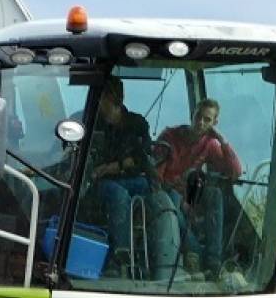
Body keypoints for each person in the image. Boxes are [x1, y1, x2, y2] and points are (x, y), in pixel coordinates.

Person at [83, 75, 163, 274]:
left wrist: (110, 167)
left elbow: (141, 158)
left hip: (134, 180)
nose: (98, 101)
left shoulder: (137, 123)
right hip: (101, 184)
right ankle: (122, 255)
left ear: (111, 97)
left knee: (160, 195)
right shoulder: (90, 122)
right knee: (119, 194)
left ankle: (170, 257)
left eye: (101, 96)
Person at [156, 99, 243, 274]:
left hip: (188, 193)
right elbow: (156, 173)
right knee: (173, 200)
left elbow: (235, 172)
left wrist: (222, 140)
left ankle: (213, 262)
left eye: (207, 119)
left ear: (214, 123)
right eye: (198, 116)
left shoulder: (210, 143)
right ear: (192, 114)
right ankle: (196, 251)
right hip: (164, 191)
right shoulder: (169, 136)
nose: (200, 122)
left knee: (215, 195)